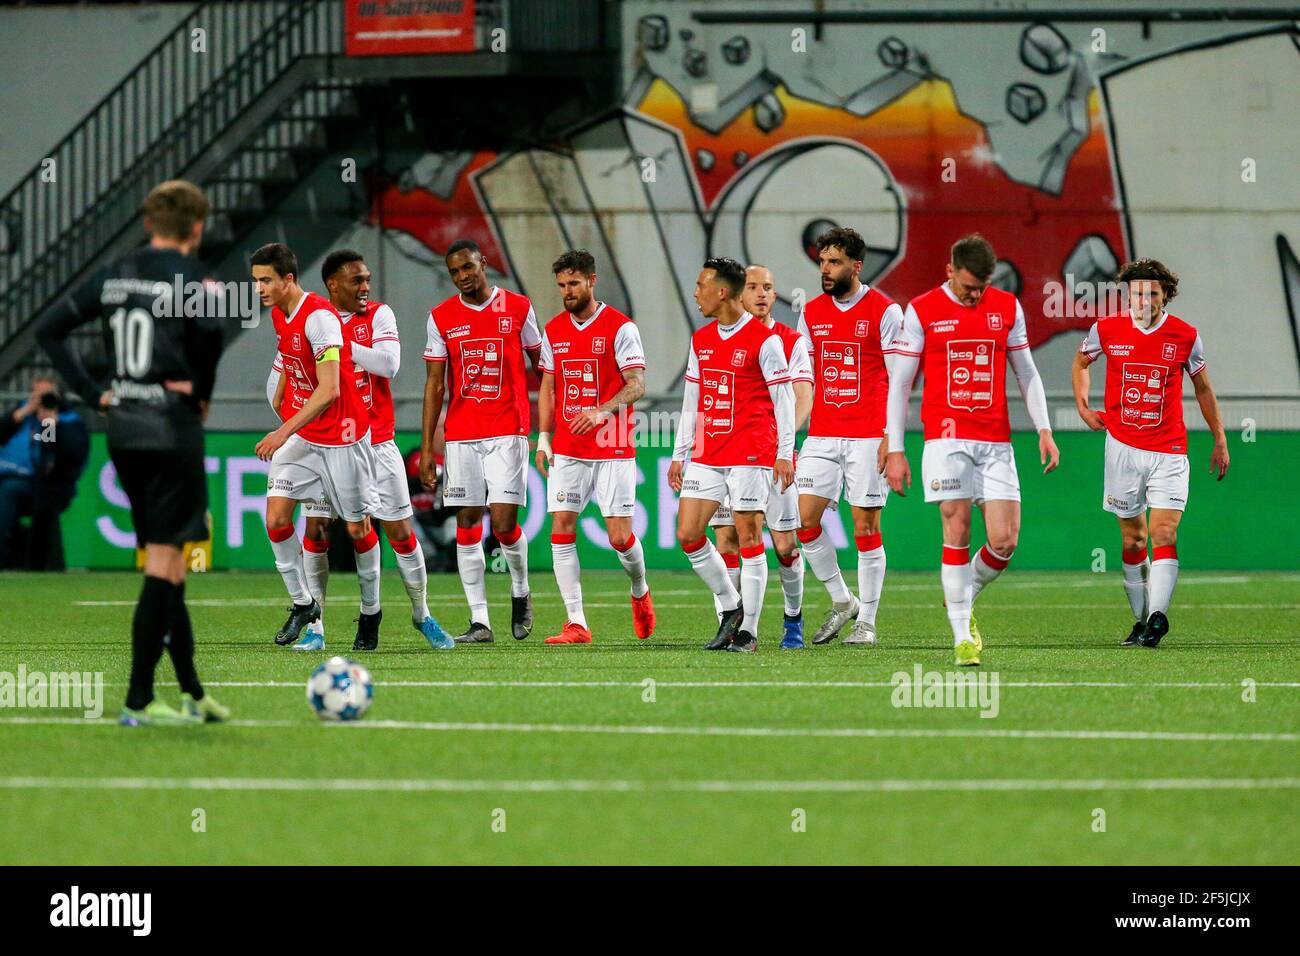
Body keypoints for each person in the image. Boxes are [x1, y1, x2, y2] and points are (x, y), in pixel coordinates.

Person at [36, 179, 229, 725]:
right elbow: (210, 336)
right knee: (166, 564)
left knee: (170, 567)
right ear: (197, 227)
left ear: (149, 223)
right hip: (171, 430)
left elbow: (51, 331)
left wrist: (93, 392)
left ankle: (192, 690)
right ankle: (138, 699)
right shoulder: (197, 282)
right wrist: (204, 393)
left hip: (123, 429)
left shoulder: (115, 274)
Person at [884, 234, 1059, 667]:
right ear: (949, 272)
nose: (974, 294)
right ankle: (963, 635)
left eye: (981, 287)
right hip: (945, 440)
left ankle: (961, 595)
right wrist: (895, 448)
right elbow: (901, 384)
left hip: (996, 441)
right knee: (956, 529)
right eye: (966, 287)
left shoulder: (1007, 308)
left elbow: (1028, 374)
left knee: (1004, 541)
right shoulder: (922, 310)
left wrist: (1044, 428)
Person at [265, 250, 452, 651]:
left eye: (367, 279)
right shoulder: (308, 319)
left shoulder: (377, 316)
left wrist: (336, 344)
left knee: (399, 531)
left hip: (377, 443)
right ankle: (316, 627)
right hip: (323, 441)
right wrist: (288, 419)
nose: (365, 287)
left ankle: (422, 614)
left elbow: (389, 364)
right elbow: (280, 375)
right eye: (356, 280)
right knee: (316, 530)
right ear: (333, 284)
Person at [1072, 258, 1229, 647]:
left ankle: (1158, 616)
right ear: (1129, 293)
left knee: (1163, 531)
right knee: (1133, 541)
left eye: (1152, 293)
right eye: (1138, 291)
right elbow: (1081, 362)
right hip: (1122, 449)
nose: (1144, 299)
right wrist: (1083, 406)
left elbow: (1203, 388)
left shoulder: (1185, 336)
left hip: (1169, 451)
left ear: (1165, 296)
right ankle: (1142, 620)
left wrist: (1220, 437)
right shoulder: (1106, 329)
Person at [251, 242, 380, 649]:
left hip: (344, 437)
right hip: (306, 437)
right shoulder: (279, 315)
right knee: (275, 519)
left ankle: (372, 612)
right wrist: (283, 409)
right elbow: (291, 366)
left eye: (266, 280)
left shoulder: (320, 318)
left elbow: (328, 390)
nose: (259, 288)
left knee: (358, 527)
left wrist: (281, 431)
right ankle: (303, 603)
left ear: (289, 279)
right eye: (255, 282)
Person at [668, 256, 795, 653]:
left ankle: (749, 633)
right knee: (689, 535)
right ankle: (731, 606)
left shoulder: (764, 340)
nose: (695, 293)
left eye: (700, 285)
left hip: (751, 453)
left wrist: (785, 453)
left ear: (721, 292)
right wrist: (679, 453)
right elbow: (693, 401)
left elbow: (784, 399)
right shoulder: (701, 339)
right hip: (708, 453)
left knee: (750, 536)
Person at [419, 239, 541, 644]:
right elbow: (435, 384)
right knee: (467, 521)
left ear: (483, 263)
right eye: (455, 272)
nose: (463, 277)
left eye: (468, 268)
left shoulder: (519, 308)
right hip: (462, 435)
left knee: (504, 524)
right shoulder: (441, 318)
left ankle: (521, 591)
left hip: (508, 430)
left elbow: (543, 365)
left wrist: (552, 425)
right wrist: (426, 449)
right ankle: (480, 621)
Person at [534, 249, 654, 644]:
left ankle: (639, 590)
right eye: (561, 286)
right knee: (561, 527)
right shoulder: (554, 330)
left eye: (573, 284)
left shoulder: (621, 328)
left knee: (619, 537)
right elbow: (549, 386)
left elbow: (637, 383)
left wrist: (604, 411)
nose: (567, 292)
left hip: (612, 443)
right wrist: (545, 437)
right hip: (568, 447)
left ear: (591, 281)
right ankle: (577, 623)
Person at [796, 228, 903, 648]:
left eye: (835, 262)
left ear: (857, 266)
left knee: (865, 528)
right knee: (802, 521)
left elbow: (900, 378)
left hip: (867, 434)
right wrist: (793, 431)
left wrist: (890, 438)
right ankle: (844, 601)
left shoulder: (885, 311)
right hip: (822, 433)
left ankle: (868, 622)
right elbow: (804, 378)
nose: (826, 269)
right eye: (823, 261)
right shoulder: (811, 313)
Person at [708, 264, 813, 648]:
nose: (762, 294)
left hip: (769, 457)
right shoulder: (716, 337)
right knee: (727, 539)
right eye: (753, 287)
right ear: (738, 293)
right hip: (725, 455)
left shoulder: (789, 340)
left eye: (769, 287)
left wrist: (781, 442)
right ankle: (733, 622)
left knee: (784, 545)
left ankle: (792, 620)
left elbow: (801, 397)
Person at [0, 376, 89, 569]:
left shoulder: (67, 420)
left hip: (46, 483)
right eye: (37, 394)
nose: (42, 399)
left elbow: (50, 456)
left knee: (11, 491)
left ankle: (41, 563)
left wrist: (50, 423)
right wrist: (22, 413)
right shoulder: (21, 414)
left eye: (47, 394)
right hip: (10, 476)